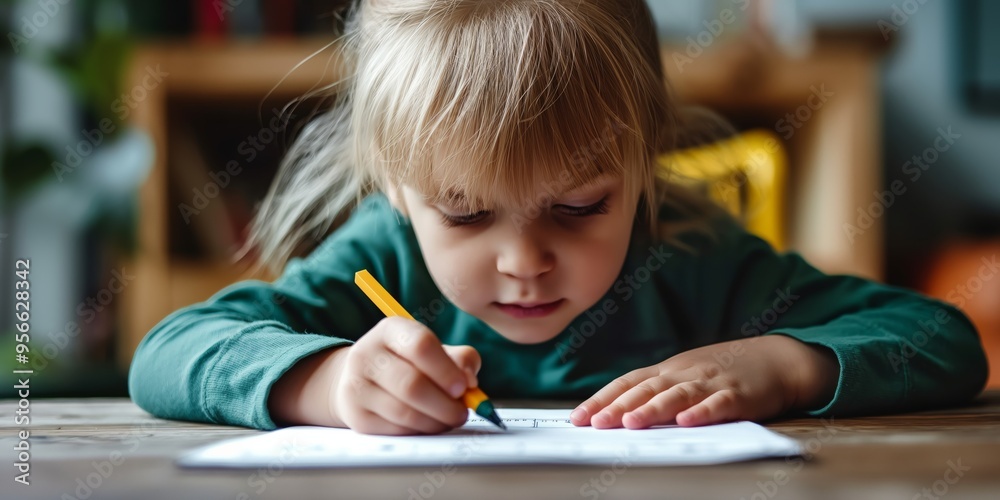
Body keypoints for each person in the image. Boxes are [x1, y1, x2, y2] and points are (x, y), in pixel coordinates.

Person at [128, 0, 988, 435]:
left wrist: (782, 365)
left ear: (643, 166)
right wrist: (323, 383)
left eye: (579, 208)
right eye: (464, 216)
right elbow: (166, 354)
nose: (524, 261)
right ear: (395, 186)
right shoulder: (382, 258)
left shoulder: (687, 254)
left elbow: (943, 339)